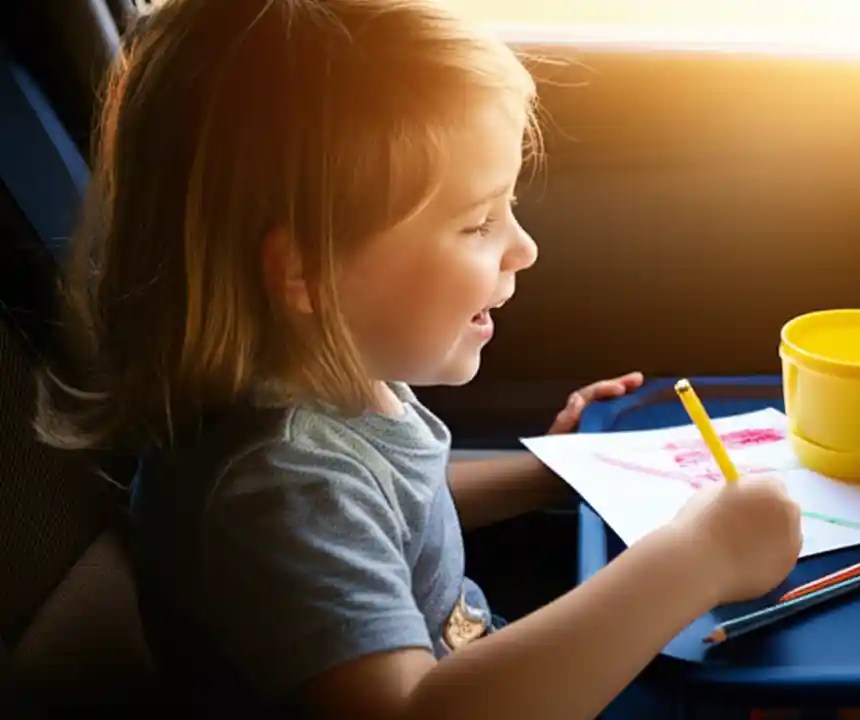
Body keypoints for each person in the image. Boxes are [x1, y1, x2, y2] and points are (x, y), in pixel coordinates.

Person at [34, 1, 802, 717]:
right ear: (307, 273)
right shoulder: (275, 493)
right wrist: (694, 558)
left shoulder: (326, 388)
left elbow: (398, 507)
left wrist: (554, 471)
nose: (524, 249)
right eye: (477, 224)